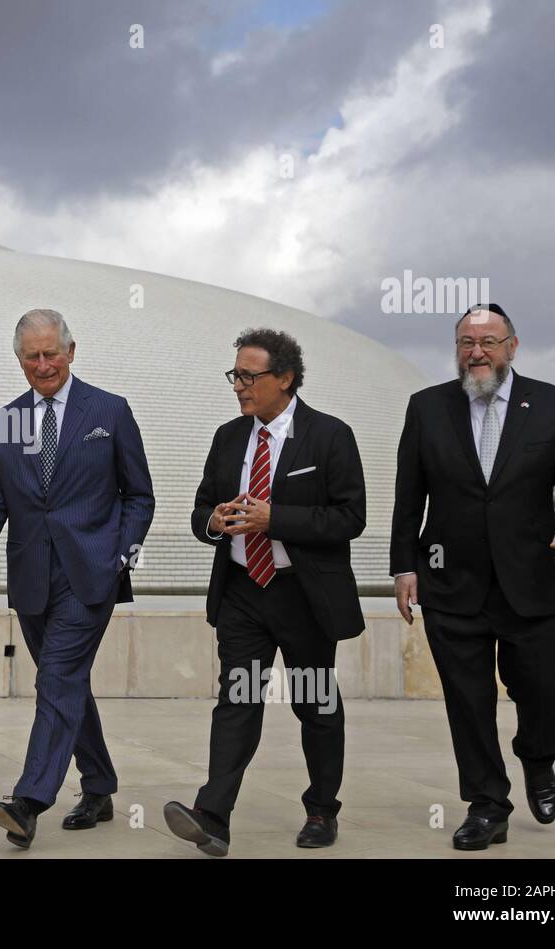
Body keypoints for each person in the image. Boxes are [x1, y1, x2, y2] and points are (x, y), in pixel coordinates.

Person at [390, 303, 555, 850]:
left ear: (512, 346)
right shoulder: (427, 407)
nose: (476, 352)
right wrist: (404, 566)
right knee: (467, 700)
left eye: (487, 341)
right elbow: (408, 497)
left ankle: (539, 755)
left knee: (543, 691)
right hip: (451, 583)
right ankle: (487, 805)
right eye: (465, 342)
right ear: (456, 348)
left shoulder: (551, 404)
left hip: (534, 579)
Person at [0, 309, 154, 849]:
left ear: (71, 350)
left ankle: (29, 800)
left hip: (92, 574)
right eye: (31, 357)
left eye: (51, 353)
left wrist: (122, 556)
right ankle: (99, 785)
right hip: (33, 576)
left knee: (56, 679)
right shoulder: (8, 421)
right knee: (68, 684)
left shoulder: (108, 410)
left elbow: (139, 495)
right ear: (19, 360)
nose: (43, 365)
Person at [164, 328, 366, 857]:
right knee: (238, 698)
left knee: (315, 704)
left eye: (249, 376)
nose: (239, 386)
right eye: (235, 375)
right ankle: (213, 816)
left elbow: (350, 517)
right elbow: (200, 509)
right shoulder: (228, 437)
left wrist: (277, 519)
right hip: (242, 593)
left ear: (285, 378)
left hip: (304, 596)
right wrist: (214, 520)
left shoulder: (329, 436)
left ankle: (322, 809)